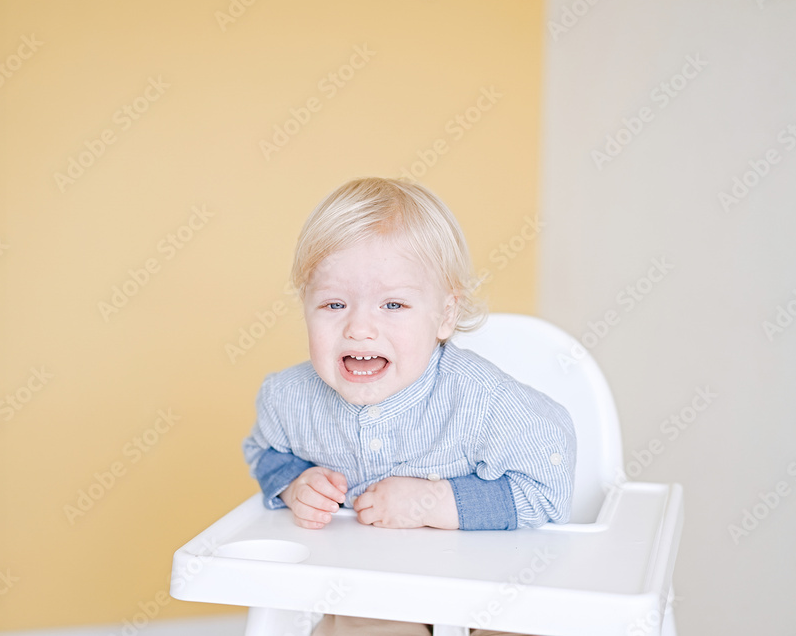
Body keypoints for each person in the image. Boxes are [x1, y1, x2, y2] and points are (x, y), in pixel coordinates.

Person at [242, 177, 575, 636]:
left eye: (393, 304)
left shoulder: (482, 400)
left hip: (490, 581)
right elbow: (264, 451)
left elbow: (548, 482)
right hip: (371, 585)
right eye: (334, 304)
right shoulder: (289, 398)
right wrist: (294, 485)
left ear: (445, 315)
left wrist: (435, 503)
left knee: (525, 621)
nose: (359, 328)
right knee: (356, 622)